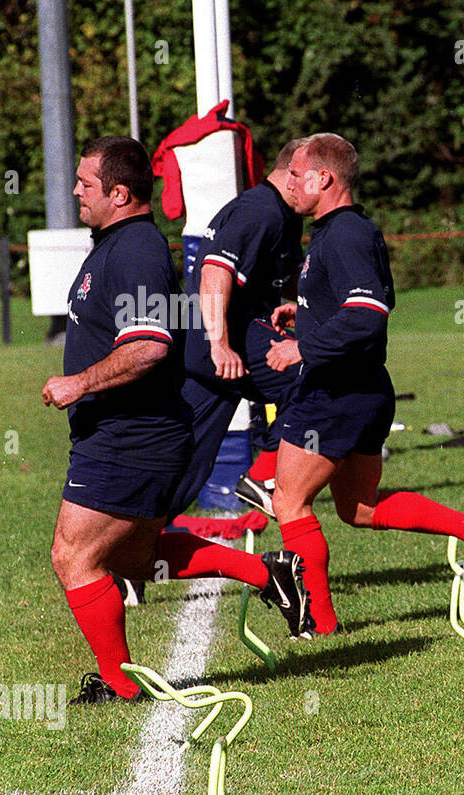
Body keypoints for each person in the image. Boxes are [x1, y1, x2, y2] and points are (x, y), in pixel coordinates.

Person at [43, 136, 313, 705]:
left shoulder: (137, 248)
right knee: (136, 558)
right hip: (122, 433)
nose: (74, 192)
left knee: (74, 556)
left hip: (129, 438)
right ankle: (270, 574)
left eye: (85, 184)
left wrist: (78, 383)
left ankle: (121, 686)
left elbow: (148, 346)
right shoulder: (115, 243)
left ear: (119, 193)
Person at [264, 133, 464, 637]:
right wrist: (307, 314)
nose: (288, 183)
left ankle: (320, 627)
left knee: (288, 502)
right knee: (358, 508)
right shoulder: (341, 231)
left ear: (325, 178)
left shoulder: (346, 235)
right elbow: (363, 304)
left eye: (296, 174)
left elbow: (368, 318)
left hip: (334, 395)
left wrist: (303, 348)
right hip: (362, 392)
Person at [164, 137, 307, 522]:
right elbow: (214, 272)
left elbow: (284, 279)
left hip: (208, 345)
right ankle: (266, 479)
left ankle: (129, 548)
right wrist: (220, 344)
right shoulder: (261, 211)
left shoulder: (286, 215)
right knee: (311, 374)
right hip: (216, 340)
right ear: (293, 173)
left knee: (185, 466)